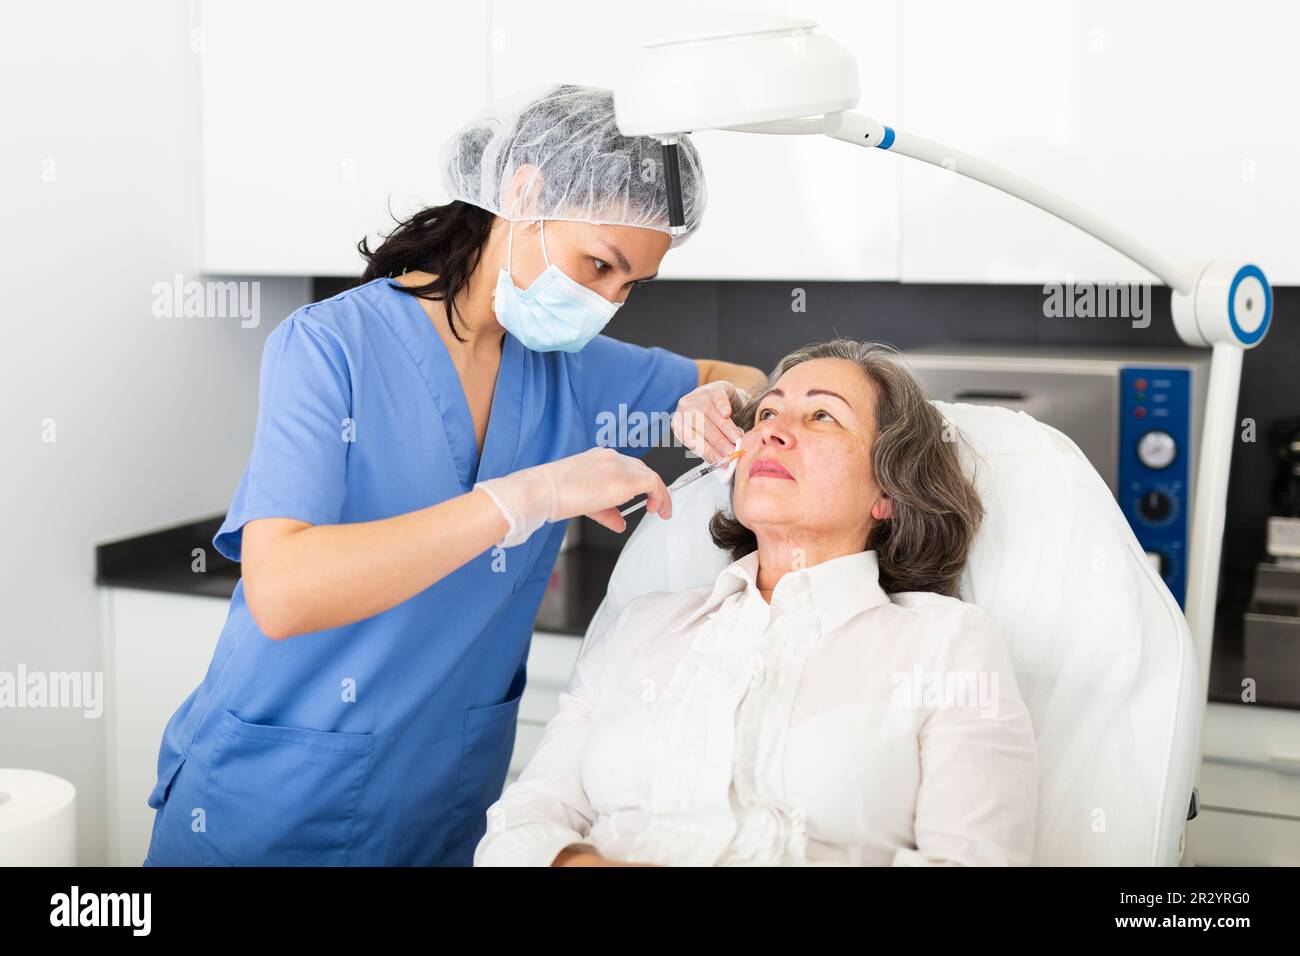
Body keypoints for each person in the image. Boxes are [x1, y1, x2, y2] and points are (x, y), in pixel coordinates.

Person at [143, 83, 765, 866]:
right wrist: (529, 496)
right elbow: (282, 591)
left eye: (629, 285)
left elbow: (738, 374)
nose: (608, 303)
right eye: (598, 265)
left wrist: (725, 395)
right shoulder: (330, 348)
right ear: (524, 192)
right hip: (272, 800)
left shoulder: (569, 368)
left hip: (439, 813)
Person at [474, 340, 1039, 866]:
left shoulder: (946, 645)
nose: (772, 433)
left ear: (888, 493)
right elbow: (518, 827)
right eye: (766, 414)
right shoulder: (643, 624)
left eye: (822, 416)